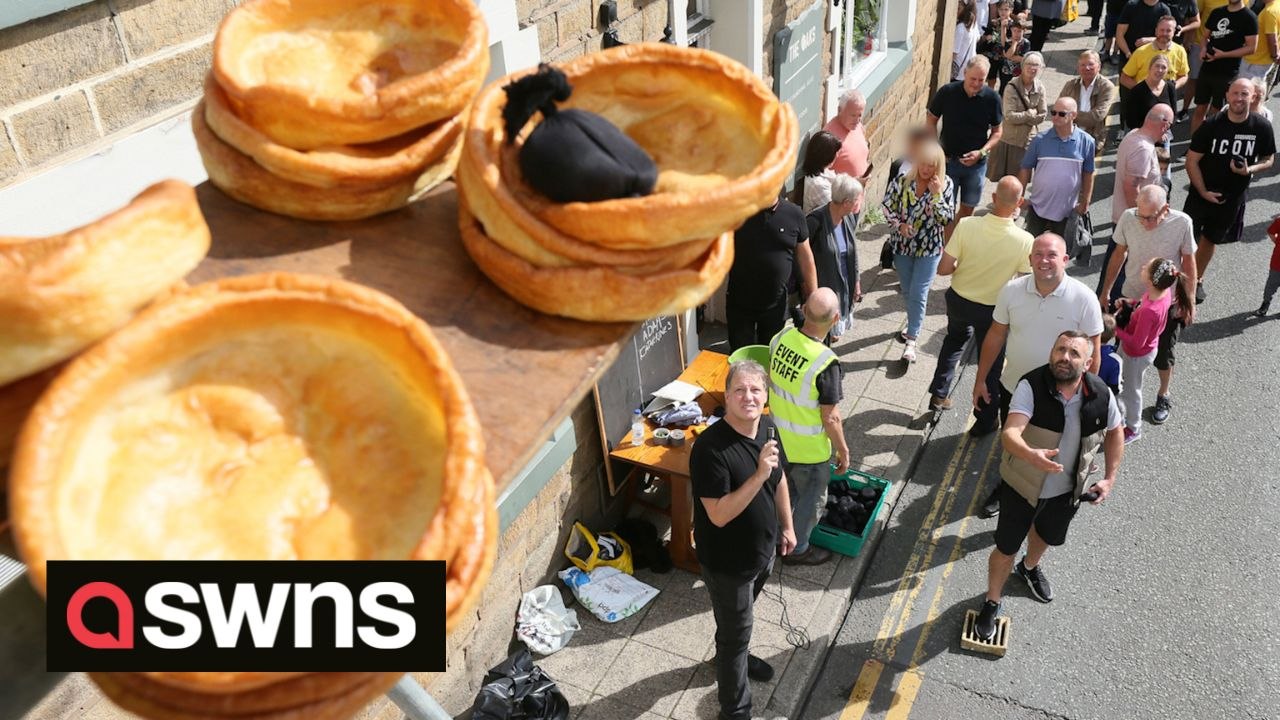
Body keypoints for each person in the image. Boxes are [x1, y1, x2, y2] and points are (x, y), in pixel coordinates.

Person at [971, 330, 1124, 642]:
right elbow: (1011, 432)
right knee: (1005, 547)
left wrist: (1110, 477)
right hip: (1022, 486)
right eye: (1060, 349)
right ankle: (992, 599)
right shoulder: (1031, 385)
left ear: (1088, 362)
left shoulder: (1100, 394)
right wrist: (1030, 455)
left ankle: (1029, 568)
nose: (1064, 357)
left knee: (1046, 536)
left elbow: (1116, 431)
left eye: (1073, 353)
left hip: (1066, 492)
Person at [690, 360, 797, 720]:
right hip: (728, 564)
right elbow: (718, 514)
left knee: (738, 620)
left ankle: (733, 653)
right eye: (739, 389)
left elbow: (779, 479)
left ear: (765, 396)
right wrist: (758, 474)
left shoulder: (768, 428)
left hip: (763, 554)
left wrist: (787, 526)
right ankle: (734, 710)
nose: (747, 396)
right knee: (736, 631)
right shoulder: (710, 450)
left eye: (755, 390)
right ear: (727, 394)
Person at [973, 234, 1104, 515]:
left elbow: (1094, 352)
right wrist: (981, 378)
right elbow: (996, 335)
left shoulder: (1084, 299)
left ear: (1066, 260)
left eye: (1052, 255)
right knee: (1013, 444)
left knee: (1055, 448)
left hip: (1062, 395)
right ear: (1030, 259)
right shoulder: (1011, 290)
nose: (1044, 261)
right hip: (1015, 388)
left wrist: (1087, 396)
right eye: (1038, 254)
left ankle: (1052, 495)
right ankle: (1008, 489)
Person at [928, 176, 1034, 421]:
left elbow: (943, 269)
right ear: (1020, 203)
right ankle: (984, 418)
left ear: (993, 198)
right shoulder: (1024, 240)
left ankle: (939, 394)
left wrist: (964, 267)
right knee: (992, 361)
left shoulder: (966, 224)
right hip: (993, 310)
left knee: (954, 343)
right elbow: (1025, 282)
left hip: (959, 300)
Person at [1098, 184, 1198, 425]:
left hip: (1166, 304)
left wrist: (1190, 300)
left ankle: (1164, 393)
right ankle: (1121, 393)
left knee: (1164, 355)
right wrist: (1106, 291)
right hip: (1132, 296)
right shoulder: (1129, 217)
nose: (1142, 222)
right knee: (1126, 353)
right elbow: (1118, 254)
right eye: (1139, 215)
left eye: (1149, 218)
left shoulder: (1182, 223)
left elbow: (1189, 262)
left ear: (1165, 209)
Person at [768, 288, 848, 567]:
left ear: (803, 308)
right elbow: (831, 418)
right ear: (836, 318)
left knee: (783, 491)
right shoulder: (826, 363)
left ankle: (778, 535)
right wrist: (843, 450)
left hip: (778, 439)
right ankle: (798, 549)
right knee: (811, 501)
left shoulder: (781, 337)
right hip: (808, 451)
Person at [1185, 77, 1276, 302]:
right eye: (1235, 93)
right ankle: (1180, 280)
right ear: (1227, 96)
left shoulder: (1262, 126)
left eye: (1244, 94)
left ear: (1253, 96)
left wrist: (1249, 170)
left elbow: (1269, 159)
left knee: (1210, 239)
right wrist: (1203, 191)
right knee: (1187, 239)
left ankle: (1196, 280)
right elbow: (1192, 161)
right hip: (1200, 194)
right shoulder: (1211, 125)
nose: (1239, 98)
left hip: (1232, 198)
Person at [882, 141, 958, 363]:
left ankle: (911, 340)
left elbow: (946, 219)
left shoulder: (946, 185)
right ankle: (912, 322)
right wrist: (899, 225)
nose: (926, 170)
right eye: (924, 164)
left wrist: (936, 196)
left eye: (932, 166)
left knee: (919, 292)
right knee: (907, 291)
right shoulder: (903, 181)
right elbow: (887, 207)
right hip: (903, 247)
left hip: (929, 249)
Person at [1114, 257, 1194, 442]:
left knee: (1131, 391)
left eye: (1146, 267)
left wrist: (1115, 329)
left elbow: (1136, 343)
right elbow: (1142, 305)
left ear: (1151, 280)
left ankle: (1133, 428)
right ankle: (1120, 412)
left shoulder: (1151, 311)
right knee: (1121, 379)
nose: (1142, 266)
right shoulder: (1162, 292)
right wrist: (1131, 303)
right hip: (1142, 349)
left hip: (1135, 355)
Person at [1100, 106, 1172, 303]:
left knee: (1112, 268)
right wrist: (1143, 220)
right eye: (1170, 125)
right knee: (1123, 277)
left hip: (1124, 218)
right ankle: (1112, 316)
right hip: (1133, 223)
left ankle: (1103, 313)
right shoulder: (1144, 149)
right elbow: (1131, 187)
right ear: (1164, 124)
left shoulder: (1133, 135)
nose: (1168, 131)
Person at [726, 197, 818, 351]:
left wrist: (814, 296)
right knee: (740, 360)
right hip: (739, 305)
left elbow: (806, 259)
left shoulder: (794, 214)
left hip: (775, 307)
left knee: (770, 356)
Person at [927, 56, 1003, 239]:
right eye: (973, 79)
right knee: (945, 207)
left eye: (981, 80)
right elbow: (930, 121)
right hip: (948, 162)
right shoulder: (948, 92)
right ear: (965, 73)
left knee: (968, 208)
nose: (976, 84)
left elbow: (997, 132)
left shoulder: (992, 98)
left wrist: (982, 152)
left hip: (976, 165)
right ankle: (946, 247)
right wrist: (936, 150)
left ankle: (955, 241)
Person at [1019, 97, 1097, 238]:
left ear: (1073, 115)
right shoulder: (1039, 140)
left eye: (1061, 114)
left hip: (1066, 212)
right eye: (1053, 112)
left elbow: (1088, 173)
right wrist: (1020, 197)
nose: (1055, 117)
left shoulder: (1087, 142)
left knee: (1060, 253)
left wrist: (1085, 202)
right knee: (1031, 249)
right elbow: (1025, 168)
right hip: (1037, 209)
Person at [806, 174, 864, 342]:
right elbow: (803, 258)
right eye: (856, 200)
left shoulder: (848, 218)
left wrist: (857, 282)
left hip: (844, 285)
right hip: (823, 291)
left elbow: (853, 253)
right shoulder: (815, 222)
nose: (857, 203)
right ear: (846, 202)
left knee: (830, 332)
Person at [1191, 0, 1259, 133]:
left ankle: (1209, 146)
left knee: (1216, 112)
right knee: (1200, 109)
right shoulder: (1217, 12)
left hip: (1227, 73)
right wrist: (1203, 48)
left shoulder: (1249, 17)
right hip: (1208, 68)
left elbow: (1252, 48)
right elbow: (1205, 36)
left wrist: (1224, 54)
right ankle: (1194, 145)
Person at [988, 52, 1047, 182]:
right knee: (1006, 181)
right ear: (1022, 66)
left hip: (1027, 141)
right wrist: (1029, 114)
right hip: (1009, 140)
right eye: (1029, 64)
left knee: (1022, 181)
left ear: (1041, 67)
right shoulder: (1011, 87)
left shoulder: (1040, 88)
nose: (1032, 68)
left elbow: (1042, 115)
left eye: (1036, 65)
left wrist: (1024, 117)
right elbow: (1009, 116)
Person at [1059, 51, 1117, 153]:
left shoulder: (1106, 87)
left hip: (1092, 139)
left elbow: (1097, 116)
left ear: (1099, 66)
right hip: (1067, 137)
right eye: (1083, 65)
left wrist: (1069, 115)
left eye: (1090, 64)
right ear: (1078, 67)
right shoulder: (1070, 85)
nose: (1087, 68)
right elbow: (1059, 111)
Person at [1120, 15, 1191, 98]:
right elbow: (1124, 78)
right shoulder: (1141, 51)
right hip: (1144, 98)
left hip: (1167, 98)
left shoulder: (1180, 51)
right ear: (1156, 31)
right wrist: (1142, 90)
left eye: (1168, 30)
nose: (1164, 33)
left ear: (1174, 32)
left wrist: (1171, 88)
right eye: (1162, 30)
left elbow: (1184, 76)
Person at [823, 89, 873, 185]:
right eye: (853, 115)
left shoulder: (858, 126)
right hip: (842, 198)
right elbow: (822, 177)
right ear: (839, 110)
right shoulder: (829, 137)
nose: (857, 120)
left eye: (860, 115)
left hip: (859, 195)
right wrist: (853, 183)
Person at [1123, 56, 1180, 131]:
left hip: (1163, 132)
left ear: (1167, 71)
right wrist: (1152, 132)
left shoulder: (1170, 87)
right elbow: (1131, 121)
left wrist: (1163, 130)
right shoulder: (1137, 91)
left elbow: (1174, 115)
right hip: (1142, 133)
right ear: (1149, 68)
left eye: (1164, 67)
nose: (1159, 70)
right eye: (1157, 66)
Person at [797, 130, 843, 214]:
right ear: (826, 156)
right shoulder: (817, 185)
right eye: (835, 153)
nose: (837, 155)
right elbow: (837, 210)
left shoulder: (824, 171)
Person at [980, 1, 1017, 88]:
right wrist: (986, 37)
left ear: (1011, 10)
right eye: (1001, 9)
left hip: (1006, 56)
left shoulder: (1013, 25)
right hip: (993, 55)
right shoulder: (994, 22)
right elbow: (986, 35)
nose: (1003, 12)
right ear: (997, 9)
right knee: (991, 77)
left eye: (1006, 9)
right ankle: (990, 93)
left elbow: (1013, 40)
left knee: (1005, 80)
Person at [1240, 0, 1280, 78]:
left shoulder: (1269, 12)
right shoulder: (1277, 4)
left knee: (1248, 87)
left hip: (1255, 61)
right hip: (1263, 60)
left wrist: (1275, 56)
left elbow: (1272, 37)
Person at [1251, 214, 1280, 317]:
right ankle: (1265, 304)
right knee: (1270, 287)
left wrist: (1277, 242)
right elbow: (1271, 232)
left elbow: (1272, 233)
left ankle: (1265, 306)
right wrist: (1277, 242)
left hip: (1277, 263)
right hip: (1277, 265)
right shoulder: (1279, 221)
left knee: (1270, 286)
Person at [999, 20, 1033, 93]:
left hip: (1019, 73)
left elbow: (1022, 58)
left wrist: (1008, 56)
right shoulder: (1008, 41)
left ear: (1024, 31)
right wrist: (1014, 44)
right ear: (1011, 30)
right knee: (1003, 90)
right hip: (1006, 71)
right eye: (1015, 31)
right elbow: (1008, 54)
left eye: (1019, 31)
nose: (1016, 34)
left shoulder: (1026, 43)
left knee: (1017, 91)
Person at [956, 1, 982, 81]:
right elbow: (978, 38)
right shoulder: (973, 24)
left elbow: (954, 51)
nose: (956, 11)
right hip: (969, 66)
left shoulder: (960, 27)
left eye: (959, 8)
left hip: (958, 68)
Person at [1099, 313, 1122, 396]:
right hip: (1103, 397)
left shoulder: (1084, 350)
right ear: (1114, 335)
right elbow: (1115, 388)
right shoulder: (1115, 360)